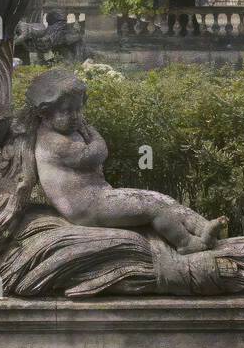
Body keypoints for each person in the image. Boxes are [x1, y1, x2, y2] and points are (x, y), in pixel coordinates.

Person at [27, 69, 225, 255]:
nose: (76, 116)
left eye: (78, 109)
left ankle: (202, 228)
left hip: (99, 197)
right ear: (44, 113)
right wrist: (94, 135)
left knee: (162, 199)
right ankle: (186, 244)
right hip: (86, 208)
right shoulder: (53, 142)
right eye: (67, 111)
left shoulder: (61, 131)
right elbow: (96, 154)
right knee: (154, 207)